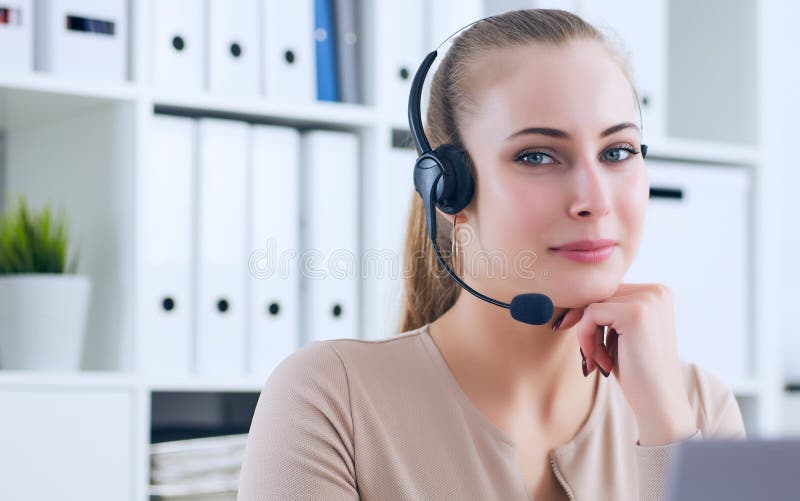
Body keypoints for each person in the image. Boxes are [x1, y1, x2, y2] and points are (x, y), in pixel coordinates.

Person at [237, 8, 746, 501]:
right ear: (449, 188)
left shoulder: (698, 405)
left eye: (618, 152)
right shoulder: (331, 401)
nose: (595, 200)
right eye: (537, 156)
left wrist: (668, 433)